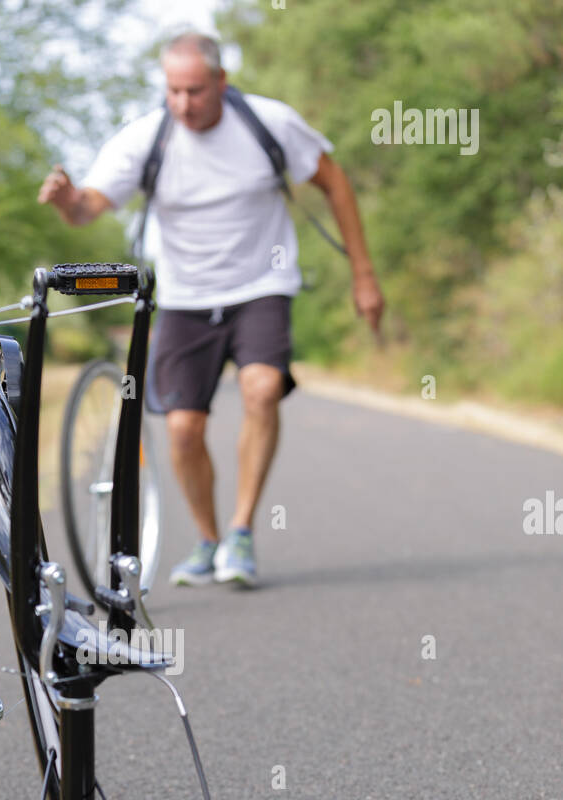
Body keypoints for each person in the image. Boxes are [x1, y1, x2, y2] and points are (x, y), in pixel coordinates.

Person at [38, 30, 384, 588]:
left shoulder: (269, 123)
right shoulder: (145, 139)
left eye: (195, 90)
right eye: (173, 90)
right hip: (184, 296)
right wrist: (65, 200)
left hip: (261, 284)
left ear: (221, 82)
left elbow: (334, 182)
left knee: (262, 389)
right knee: (182, 429)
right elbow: (87, 208)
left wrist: (364, 275)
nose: (183, 104)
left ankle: (242, 530)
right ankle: (208, 540)